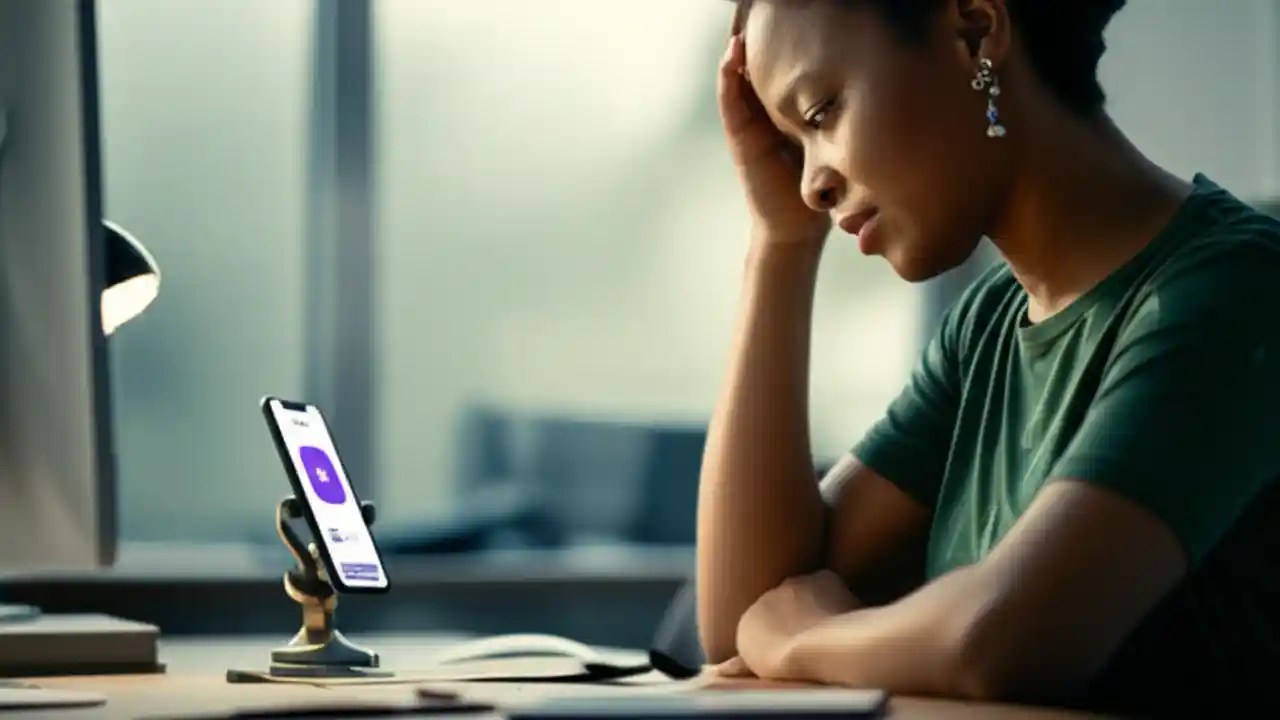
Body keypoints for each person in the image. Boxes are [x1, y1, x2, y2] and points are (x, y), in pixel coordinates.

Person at [695, 0, 1280, 715]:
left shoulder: (1237, 290)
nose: (810, 184)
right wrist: (779, 245)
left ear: (974, 33)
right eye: (794, 146)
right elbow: (743, 616)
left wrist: (804, 641)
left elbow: (1009, 640)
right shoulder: (988, 326)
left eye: (819, 115)